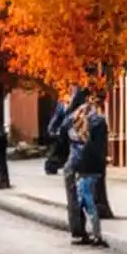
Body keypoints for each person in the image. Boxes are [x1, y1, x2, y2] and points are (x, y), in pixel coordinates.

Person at [72, 94, 109, 248]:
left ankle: (94, 234)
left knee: (86, 202)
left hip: (84, 171)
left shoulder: (79, 136)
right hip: (95, 169)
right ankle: (91, 233)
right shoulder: (100, 125)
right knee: (87, 201)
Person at [58, 87, 89, 244]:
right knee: (84, 196)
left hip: (72, 161)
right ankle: (83, 227)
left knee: (73, 198)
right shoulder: (90, 117)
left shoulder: (69, 119)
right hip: (86, 162)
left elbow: (59, 135)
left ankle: (77, 230)